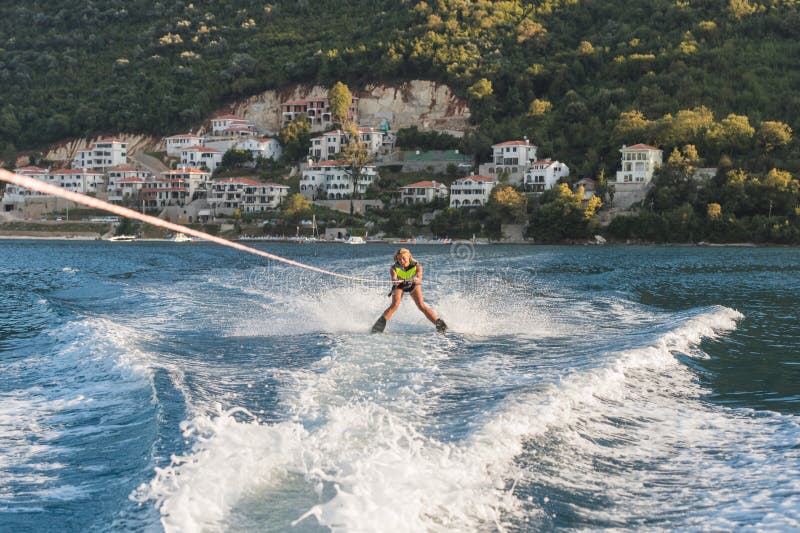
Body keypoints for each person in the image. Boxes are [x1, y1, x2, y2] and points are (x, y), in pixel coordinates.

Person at [371, 248, 447, 333]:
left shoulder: (417, 266)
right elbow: (394, 278)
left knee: (421, 305)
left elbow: (419, 278)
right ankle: (378, 326)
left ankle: (440, 324)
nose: (402, 261)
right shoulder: (394, 268)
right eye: (399, 259)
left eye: (404, 258)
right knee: (394, 305)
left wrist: (416, 279)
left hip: (413, 285)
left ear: (409, 257)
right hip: (400, 285)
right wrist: (395, 281)